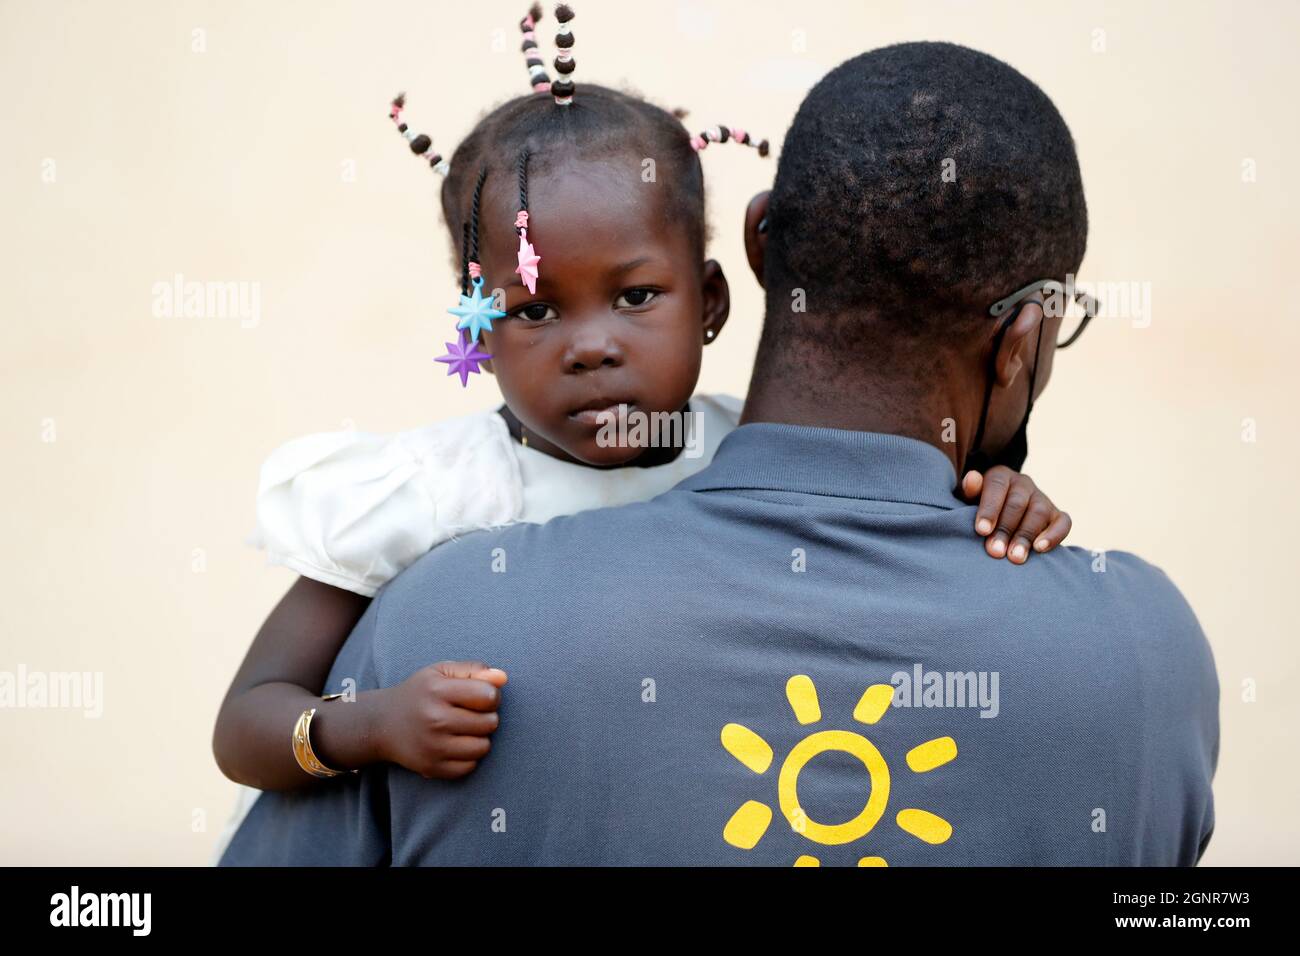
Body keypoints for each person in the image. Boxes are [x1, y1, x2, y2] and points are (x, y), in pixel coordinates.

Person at [220, 40, 1217, 867]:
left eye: (635, 295)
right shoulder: (1142, 654)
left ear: (734, 273)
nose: (592, 344)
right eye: (533, 310)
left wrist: (999, 491)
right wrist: (354, 726)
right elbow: (249, 722)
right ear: (1022, 343)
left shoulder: (439, 613)